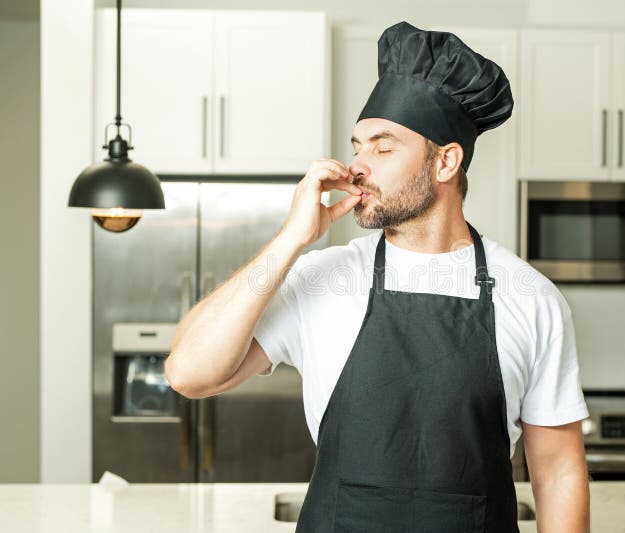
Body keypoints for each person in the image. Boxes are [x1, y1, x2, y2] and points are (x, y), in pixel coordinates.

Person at [166, 21, 590, 533]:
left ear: (446, 162)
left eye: (383, 148)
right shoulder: (323, 278)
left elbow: (558, 472)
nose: (357, 167)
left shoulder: (531, 298)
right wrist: (290, 240)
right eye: (358, 147)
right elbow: (189, 374)